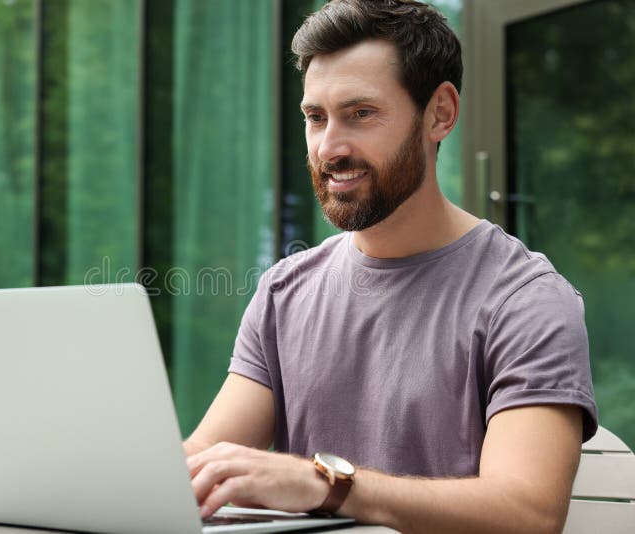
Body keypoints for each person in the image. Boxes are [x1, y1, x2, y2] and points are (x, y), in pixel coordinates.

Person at [183, 1, 598, 532]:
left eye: (361, 113)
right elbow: (204, 459)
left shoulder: (526, 299)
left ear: (440, 114)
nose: (329, 147)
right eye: (316, 117)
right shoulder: (284, 291)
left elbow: (528, 513)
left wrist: (326, 485)